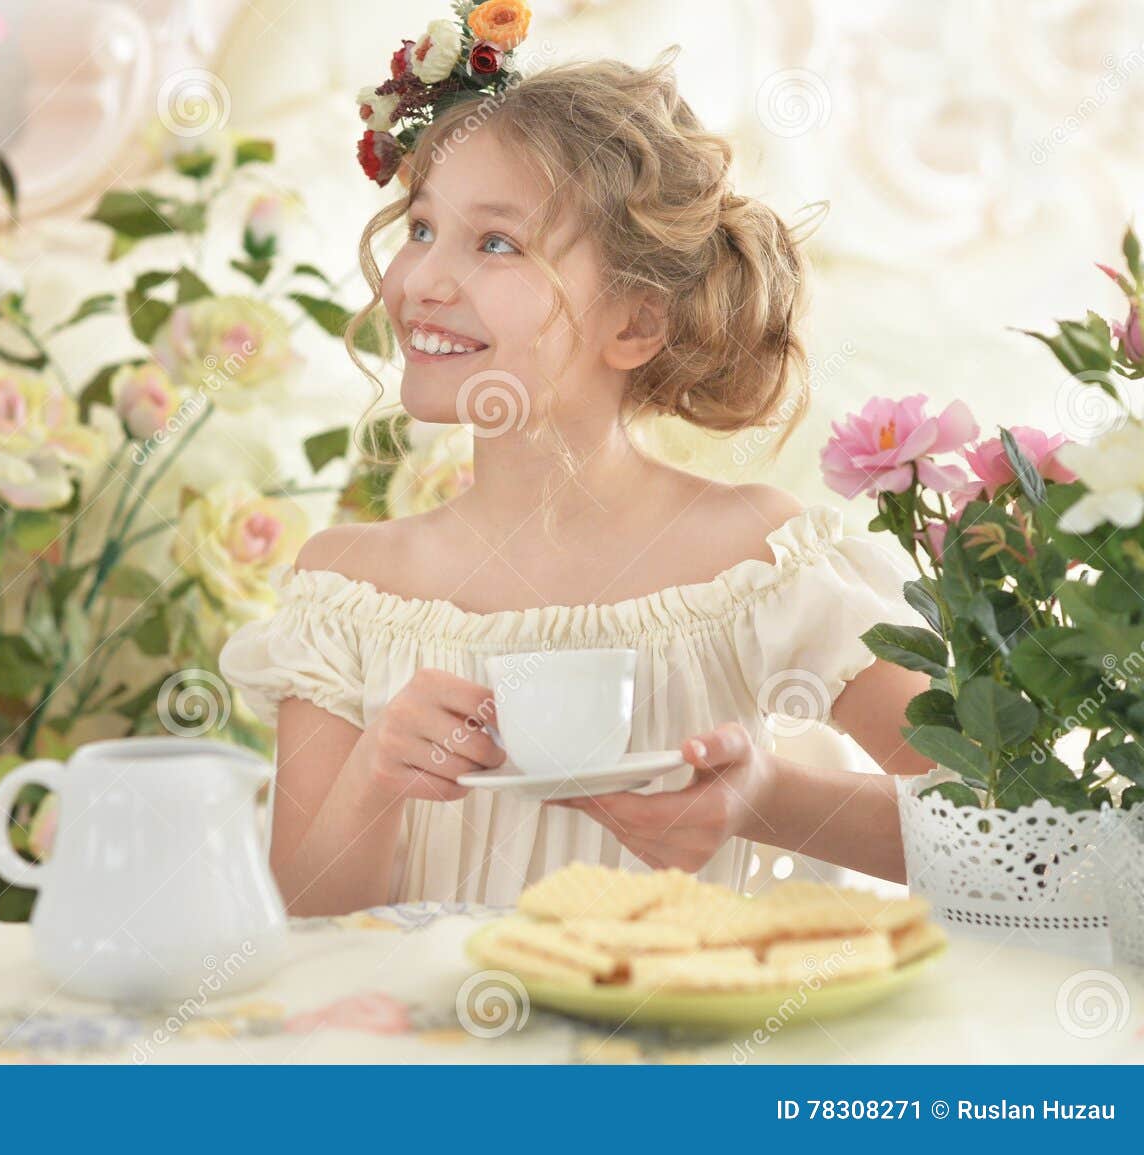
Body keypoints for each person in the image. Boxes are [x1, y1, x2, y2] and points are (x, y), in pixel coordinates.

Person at [219, 50, 932, 917]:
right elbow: (304, 927)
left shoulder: (759, 561)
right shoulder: (349, 589)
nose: (423, 282)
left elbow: (1017, 828)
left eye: (495, 243)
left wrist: (767, 800)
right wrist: (374, 777)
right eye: (419, 228)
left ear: (636, 321)